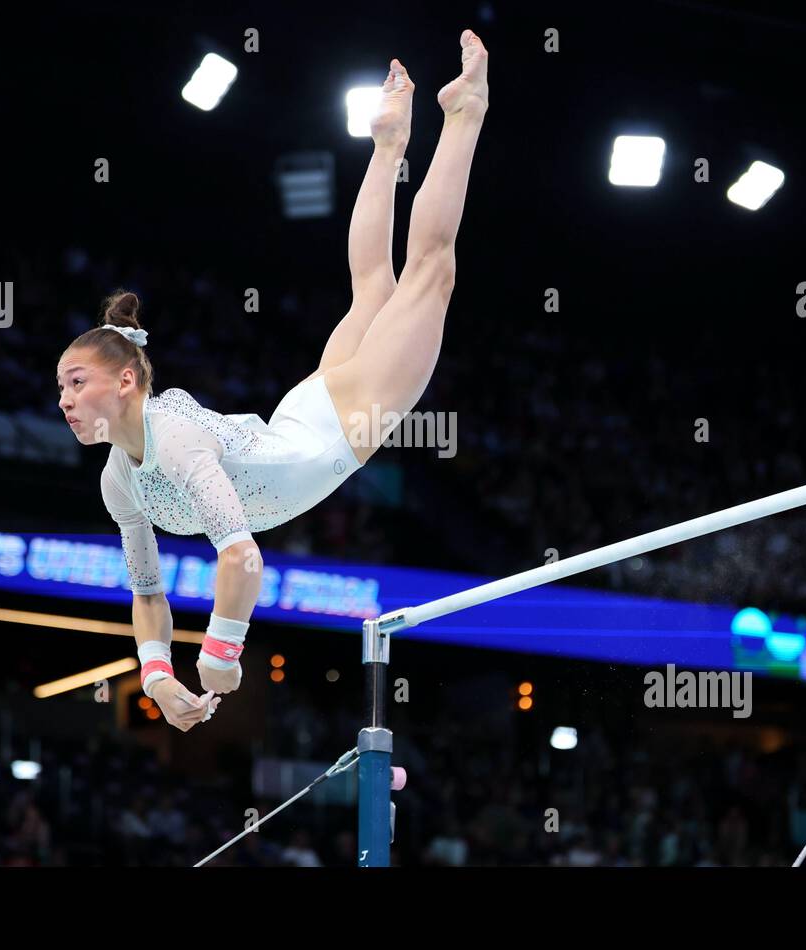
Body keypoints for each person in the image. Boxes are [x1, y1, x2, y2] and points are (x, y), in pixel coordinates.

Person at [55, 31, 490, 733]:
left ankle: (465, 109)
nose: (65, 400)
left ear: (128, 379)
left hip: (342, 428)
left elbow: (242, 556)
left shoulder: (175, 437)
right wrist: (157, 674)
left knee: (429, 272)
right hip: (304, 418)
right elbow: (148, 593)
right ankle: (387, 144)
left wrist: (224, 649)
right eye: (61, 388)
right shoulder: (118, 480)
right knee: (372, 288)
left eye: (76, 383)